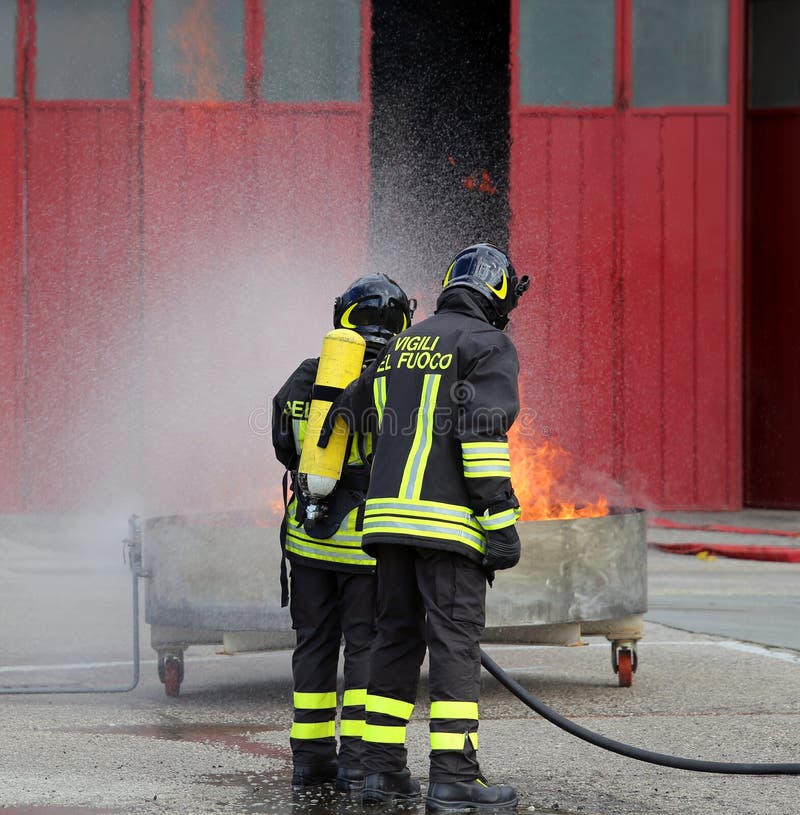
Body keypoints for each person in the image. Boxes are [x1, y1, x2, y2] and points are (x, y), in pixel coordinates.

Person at [319, 243, 529, 811]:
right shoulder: (488, 344)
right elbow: (482, 437)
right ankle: (454, 776)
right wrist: (500, 523)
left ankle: (379, 770)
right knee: (455, 644)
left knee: (395, 640)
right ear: (500, 292)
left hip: (385, 527)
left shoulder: (404, 343)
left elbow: (352, 407)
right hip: (446, 529)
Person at [271, 274, 415, 793]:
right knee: (366, 650)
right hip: (366, 547)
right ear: (400, 324)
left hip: (308, 541)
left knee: (312, 646)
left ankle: (309, 760)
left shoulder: (310, 374)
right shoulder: (398, 380)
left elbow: (284, 443)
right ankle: (357, 762)